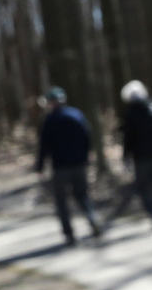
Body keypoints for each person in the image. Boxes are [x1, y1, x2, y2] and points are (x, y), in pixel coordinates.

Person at [35, 87, 102, 246]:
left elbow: (44, 145)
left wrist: (40, 166)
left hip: (60, 167)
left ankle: (69, 233)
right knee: (82, 195)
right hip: (79, 164)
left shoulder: (49, 120)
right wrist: (86, 157)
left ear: (51, 102)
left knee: (62, 202)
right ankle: (92, 219)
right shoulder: (76, 114)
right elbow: (87, 136)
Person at [119, 80, 152, 229]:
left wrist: (126, 156)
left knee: (143, 187)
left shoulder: (131, 114)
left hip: (141, 157)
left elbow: (128, 139)